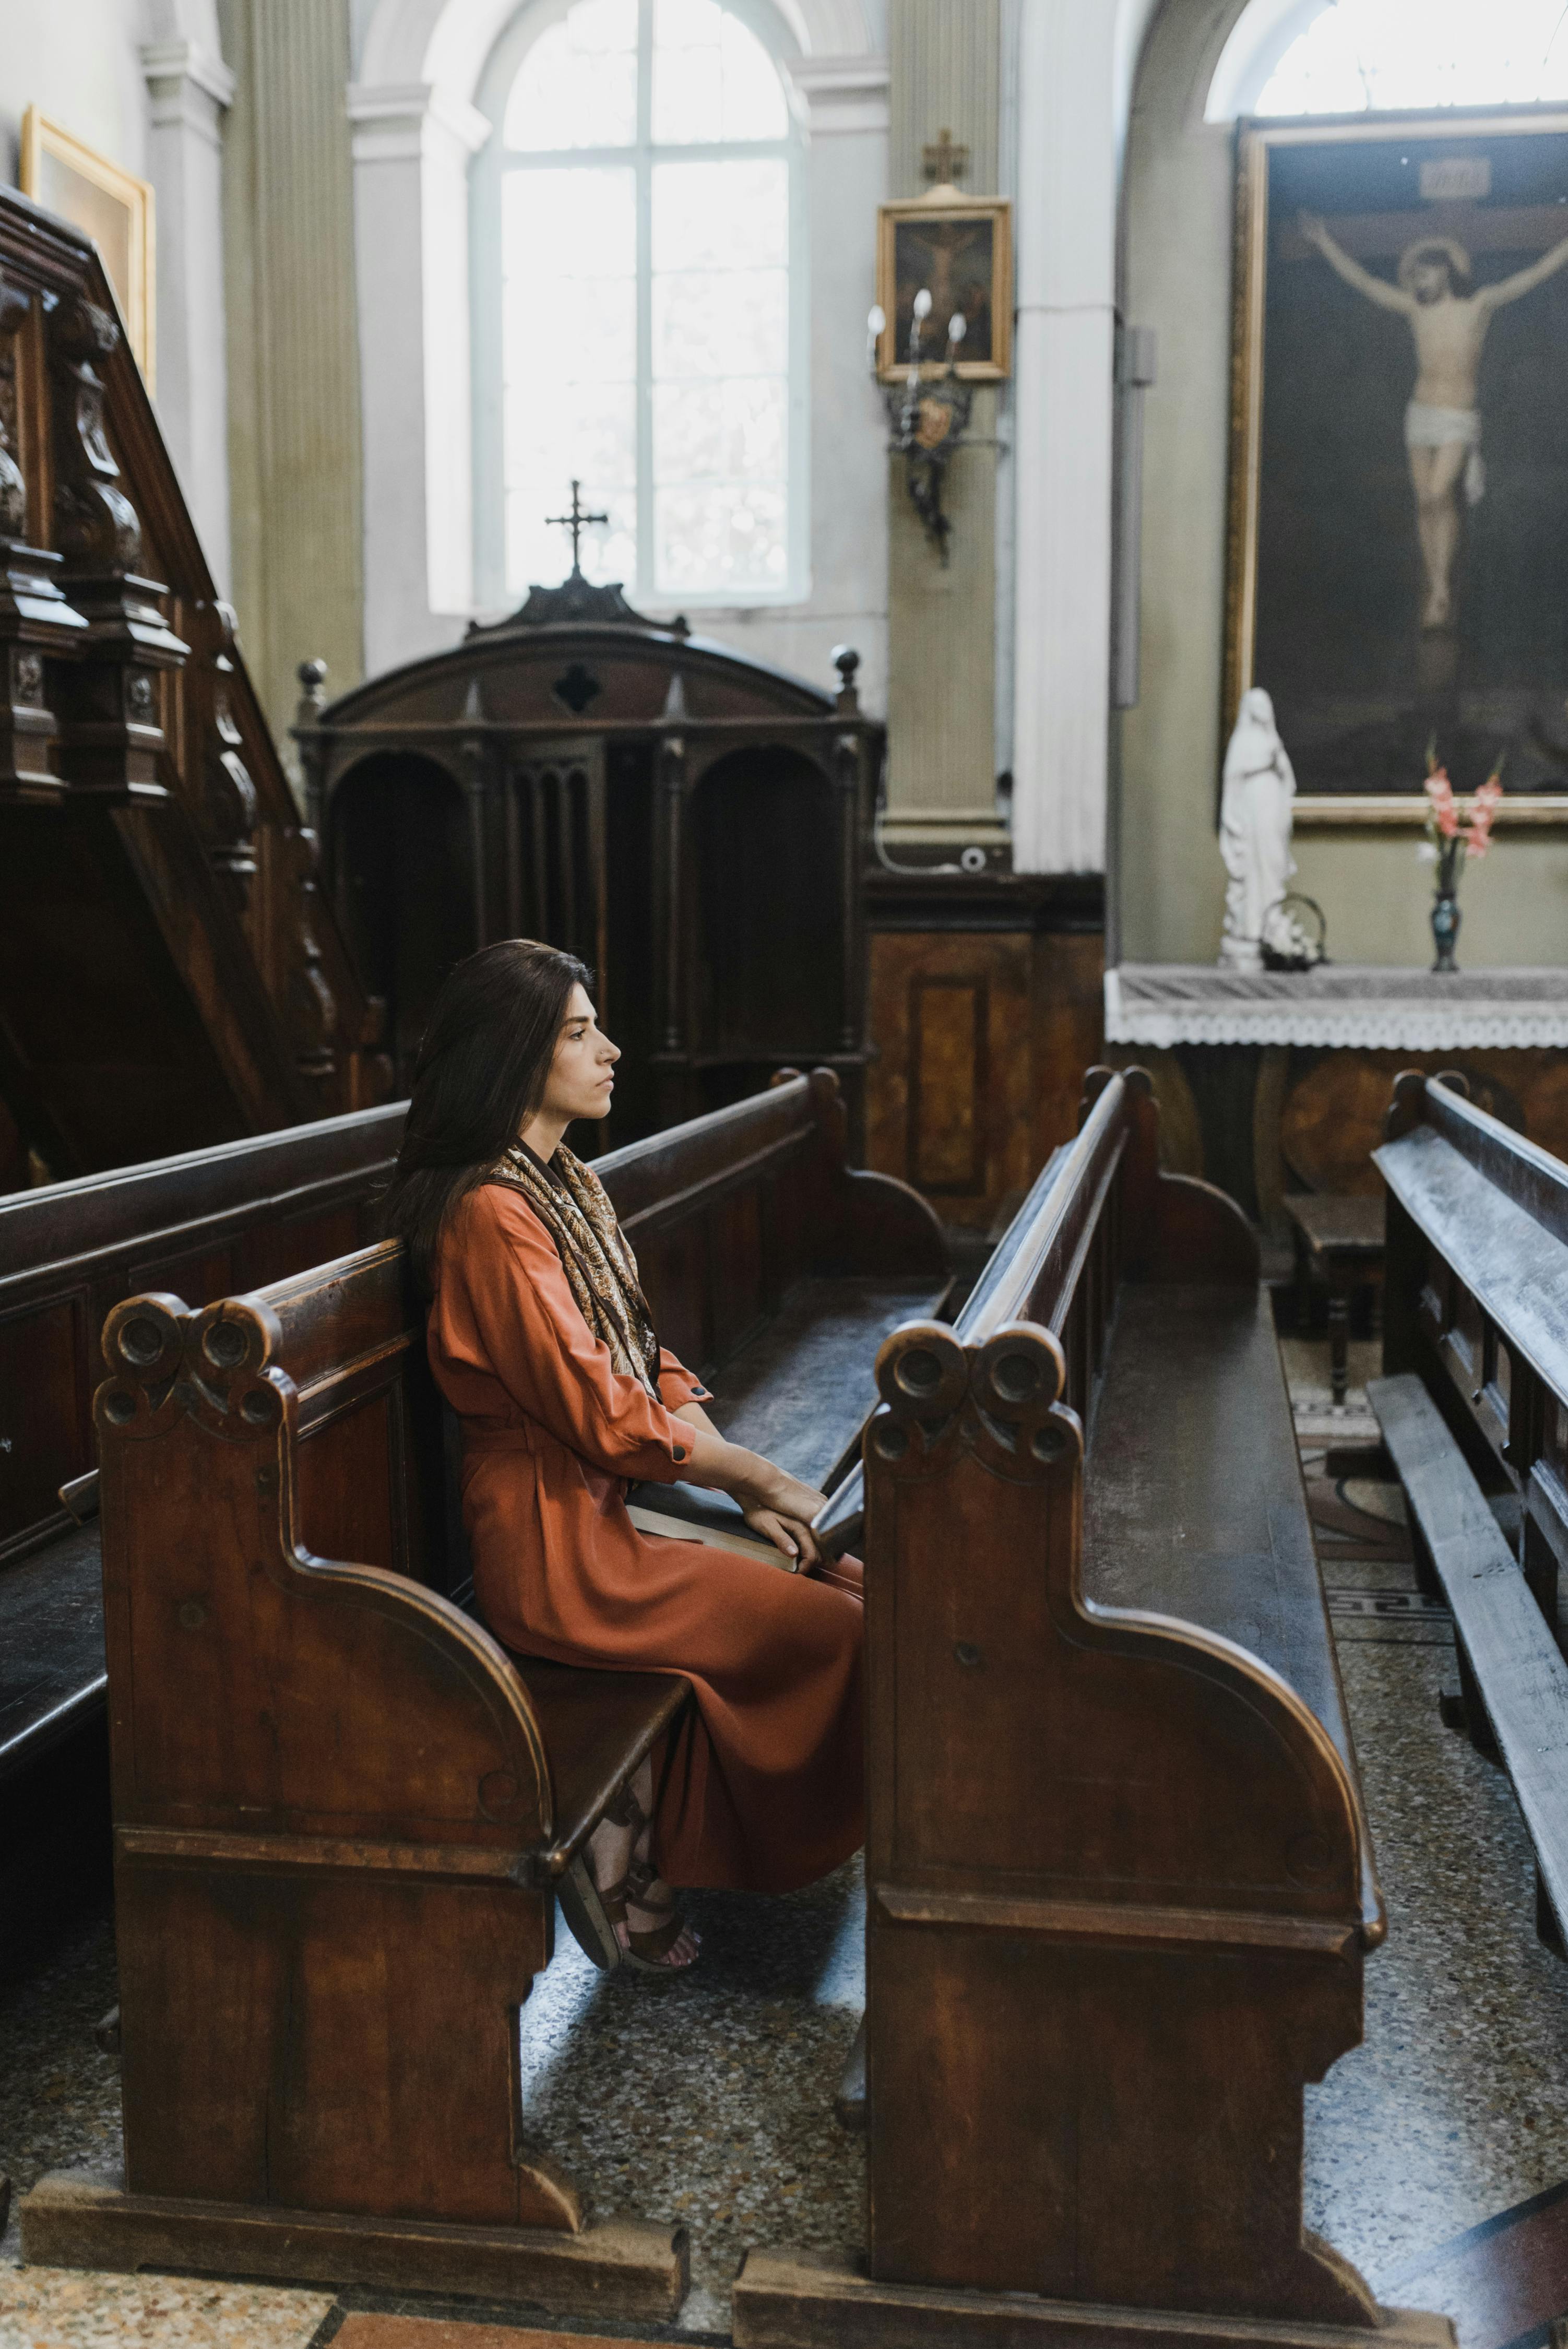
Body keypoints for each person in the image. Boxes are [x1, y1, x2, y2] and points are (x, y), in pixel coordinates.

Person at [381, 939, 864, 1976]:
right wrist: (755, 1479)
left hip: (616, 1508)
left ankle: (642, 1841)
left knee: (845, 1578)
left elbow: (643, 1359)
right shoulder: (491, 1212)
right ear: (515, 1056)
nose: (609, 1050)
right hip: (563, 1549)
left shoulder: (560, 1183)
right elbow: (604, 1416)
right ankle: (637, 1853)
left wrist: (735, 1474)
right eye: (578, 1032)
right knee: (838, 1624)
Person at [1299, 213, 1568, 630]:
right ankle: (1438, 586)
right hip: (1420, 415)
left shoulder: (1479, 306)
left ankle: (1441, 590)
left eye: (1425, 271)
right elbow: (1365, 283)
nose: (1418, 279)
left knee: (1440, 493)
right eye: (1415, 274)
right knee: (1425, 501)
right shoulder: (1414, 309)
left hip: (1457, 417)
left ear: (1446, 271)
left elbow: (1532, 275)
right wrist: (1324, 242)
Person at [1219, 686, 1316, 970]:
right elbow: (1233, 776)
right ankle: (1250, 928)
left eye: (1266, 705)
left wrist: (1279, 766)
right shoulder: (1243, 741)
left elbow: (1289, 779)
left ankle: (1271, 923)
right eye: (1258, 706)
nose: (1264, 711)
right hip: (1252, 812)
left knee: (1272, 864)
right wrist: (1264, 762)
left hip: (1272, 812)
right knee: (1254, 867)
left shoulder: (1273, 740)